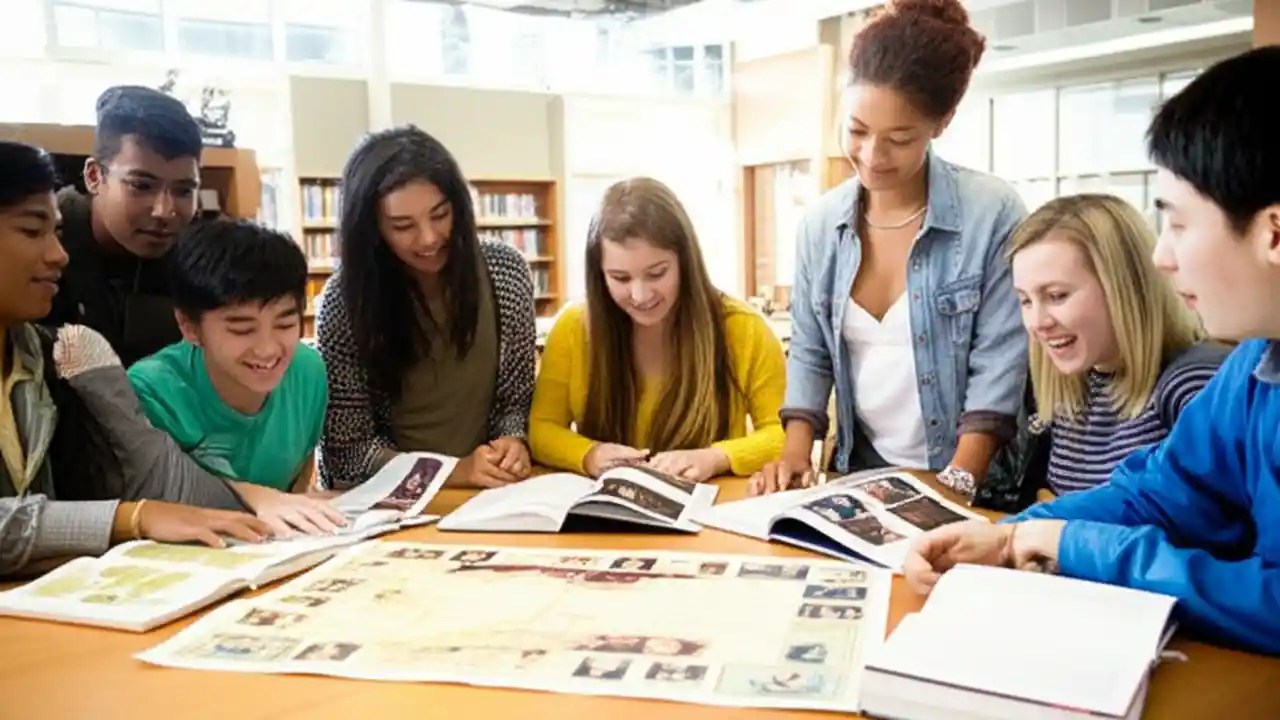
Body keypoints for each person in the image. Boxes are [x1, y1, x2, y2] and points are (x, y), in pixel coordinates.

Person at [904, 46, 1280, 656]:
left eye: (1180, 224)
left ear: (1273, 233)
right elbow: (1162, 492)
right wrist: (1005, 538)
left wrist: (1067, 542)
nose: (1164, 257)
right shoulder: (1253, 368)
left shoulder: (1205, 374)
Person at [751, 0, 1028, 499]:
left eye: (899, 138)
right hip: (862, 481)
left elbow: (1000, 365)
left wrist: (956, 484)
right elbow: (811, 354)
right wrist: (795, 455)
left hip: (972, 486)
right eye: (857, 131)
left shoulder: (992, 212)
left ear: (941, 123)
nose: (872, 157)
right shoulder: (820, 226)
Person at [0, 140, 269, 577]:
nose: (58, 256)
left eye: (58, 233)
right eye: (32, 231)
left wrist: (258, 503)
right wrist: (130, 518)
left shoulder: (67, 353)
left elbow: (155, 475)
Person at [317, 126, 537, 490]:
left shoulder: (505, 272)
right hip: (386, 502)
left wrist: (512, 442)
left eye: (440, 215)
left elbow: (514, 403)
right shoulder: (344, 302)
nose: (429, 238)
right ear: (372, 229)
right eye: (403, 226)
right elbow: (349, 454)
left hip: (486, 494)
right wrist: (454, 472)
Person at [529, 177, 786, 481]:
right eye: (620, 278)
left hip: (713, 511)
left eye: (656, 273)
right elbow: (541, 429)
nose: (640, 295)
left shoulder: (743, 329)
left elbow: (785, 435)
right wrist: (589, 454)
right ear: (599, 276)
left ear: (685, 262)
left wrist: (716, 457)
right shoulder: (573, 327)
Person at [998, 194, 1226, 501]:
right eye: (1025, 300)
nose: (1037, 322)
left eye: (1057, 295)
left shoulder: (1193, 387)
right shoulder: (1074, 383)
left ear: (1124, 287)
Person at [127, 218, 346, 539]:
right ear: (189, 326)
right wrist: (257, 499)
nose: (268, 349)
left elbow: (297, 485)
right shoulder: (152, 390)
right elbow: (161, 502)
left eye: (285, 324)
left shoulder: (307, 370)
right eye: (242, 329)